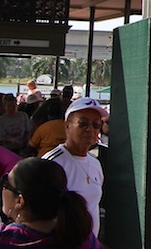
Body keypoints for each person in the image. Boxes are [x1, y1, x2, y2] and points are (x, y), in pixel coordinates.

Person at [41, 96, 107, 239]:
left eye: (96, 125)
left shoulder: (95, 163)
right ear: (67, 126)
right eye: (83, 123)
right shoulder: (52, 163)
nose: (90, 129)